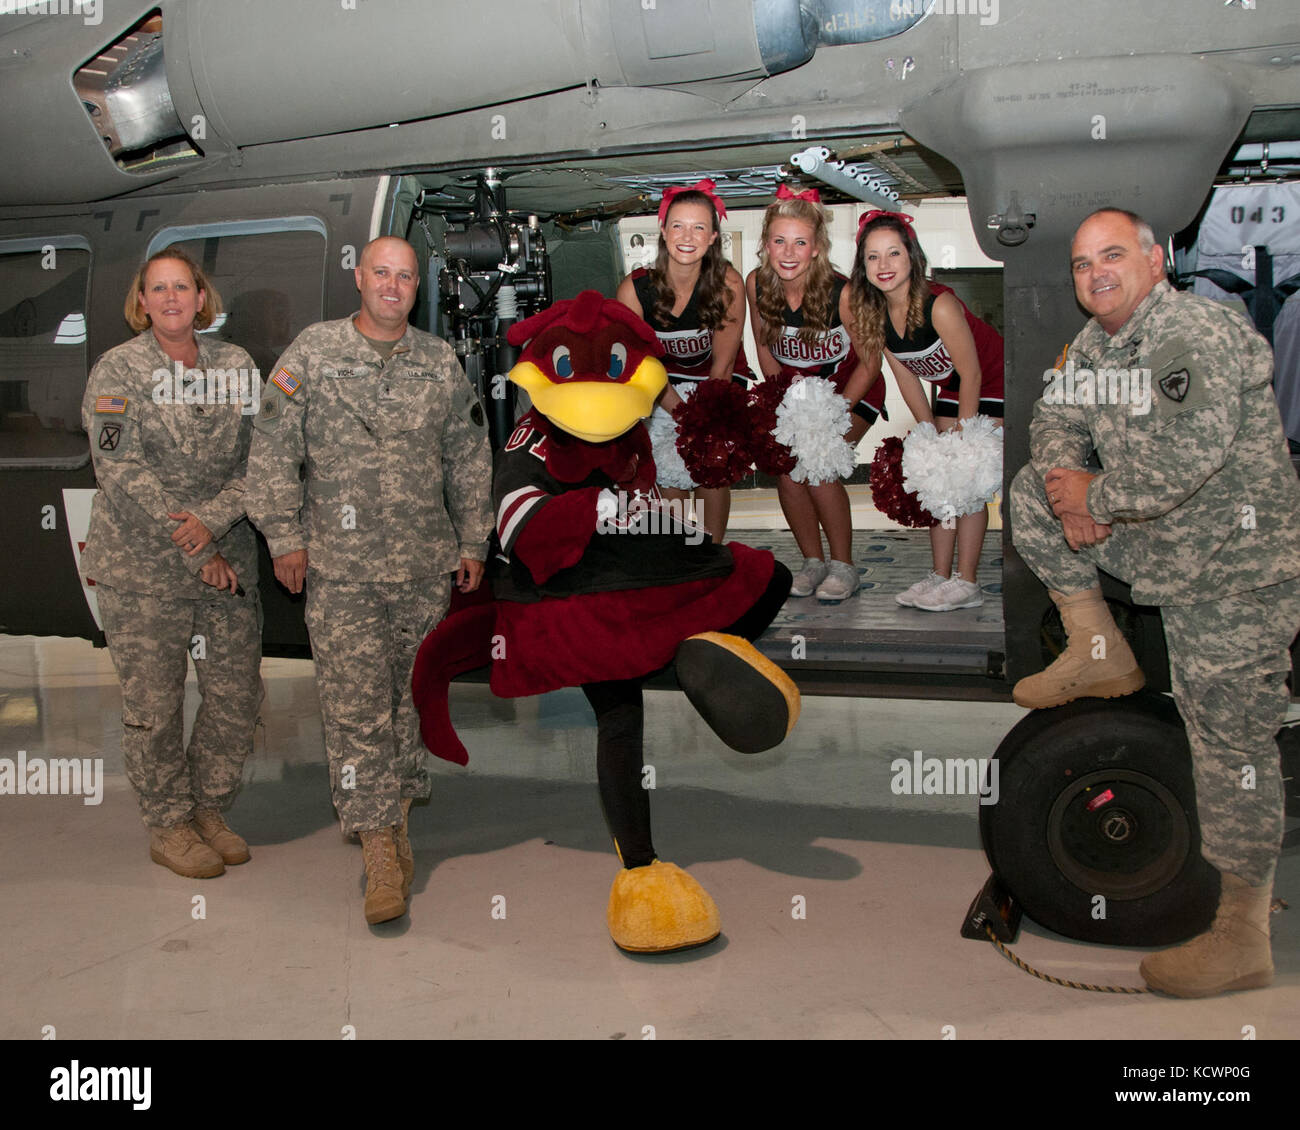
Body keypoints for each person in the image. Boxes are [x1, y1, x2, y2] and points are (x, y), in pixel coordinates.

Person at [1009, 207, 1300, 998]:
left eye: (1112, 255)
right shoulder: (1099, 346)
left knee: (1228, 741)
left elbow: (1186, 459)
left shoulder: (1193, 335)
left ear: (1155, 260)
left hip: (1235, 567)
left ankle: (1241, 934)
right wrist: (1072, 490)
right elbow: (1055, 417)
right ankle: (1097, 647)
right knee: (1033, 492)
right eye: (1080, 264)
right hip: (1164, 542)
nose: (1095, 273)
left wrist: (1097, 497)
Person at [245, 236, 493, 926]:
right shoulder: (314, 354)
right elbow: (271, 448)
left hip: (422, 564)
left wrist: (473, 537)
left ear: (417, 288)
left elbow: (468, 454)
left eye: (405, 277)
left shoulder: (438, 361)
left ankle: (397, 806)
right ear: (359, 278)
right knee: (354, 704)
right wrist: (285, 536)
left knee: (411, 695)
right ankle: (380, 846)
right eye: (381, 273)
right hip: (342, 567)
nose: (392, 286)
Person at [81, 249, 262, 879]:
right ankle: (169, 823)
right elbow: (120, 468)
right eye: (156, 289)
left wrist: (212, 525)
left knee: (235, 695)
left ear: (201, 296)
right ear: (142, 300)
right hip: (144, 568)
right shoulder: (118, 370)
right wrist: (196, 543)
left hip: (228, 563)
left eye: (180, 287)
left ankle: (209, 808)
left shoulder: (235, 365)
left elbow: (258, 462)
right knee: (155, 705)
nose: (170, 298)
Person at [847, 210, 1005, 611]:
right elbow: (906, 379)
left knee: (966, 482)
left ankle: (967, 583)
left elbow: (971, 372)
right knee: (939, 481)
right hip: (952, 387)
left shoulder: (940, 305)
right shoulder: (875, 313)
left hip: (996, 381)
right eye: (873, 257)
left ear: (912, 258)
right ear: (862, 266)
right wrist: (929, 434)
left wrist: (962, 441)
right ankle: (940, 574)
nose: (884, 265)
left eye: (893, 254)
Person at [745, 187, 885, 602]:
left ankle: (844, 565)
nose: (789, 252)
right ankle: (813, 561)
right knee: (788, 470)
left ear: (818, 248)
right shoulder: (757, 284)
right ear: (765, 244)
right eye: (779, 241)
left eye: (800, 242)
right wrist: (780, 406)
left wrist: (829, 417)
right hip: (793, 394)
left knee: (818, 467)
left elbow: (871, 363)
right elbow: (766, 351)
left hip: (851, 391)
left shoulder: (843, 293)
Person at [616, 179, 752, 544]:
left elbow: (722, 367)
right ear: (662, 231)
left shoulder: (729, 285)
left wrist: (701, 424)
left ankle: (711, 551)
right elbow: (639, 366)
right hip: (660, 388)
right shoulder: (635, 289)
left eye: (699, 227)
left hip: (715, 386)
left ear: (712, 237)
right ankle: (680, 556)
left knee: (710, 465)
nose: (687, 236)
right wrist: (678, 412)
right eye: (677, 225)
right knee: (668, 468)